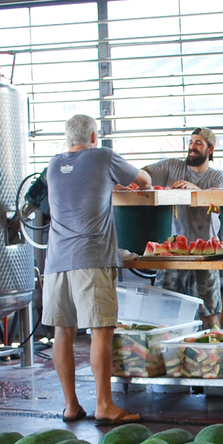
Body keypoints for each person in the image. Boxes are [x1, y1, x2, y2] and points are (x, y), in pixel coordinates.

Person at [43, 113, 152, 425]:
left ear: (68, 138)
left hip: (56, 261)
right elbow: (143, 180)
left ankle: (71, 406)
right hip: (91, 258)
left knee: (62, 332)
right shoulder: (102, 157)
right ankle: (104, 405)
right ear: (93, 137)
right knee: (101, 331)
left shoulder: (52, 164)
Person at [145, 128, 223, 329]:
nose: (192, 146)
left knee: (209, 315)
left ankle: (211, 347)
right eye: (191, 142)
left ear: (210, 149)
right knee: (164, 314)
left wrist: (196, 192)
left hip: (206, 257)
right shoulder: (171, 167)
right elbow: (143, 175)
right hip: (171, 255)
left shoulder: (217, 177)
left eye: (198, 143)